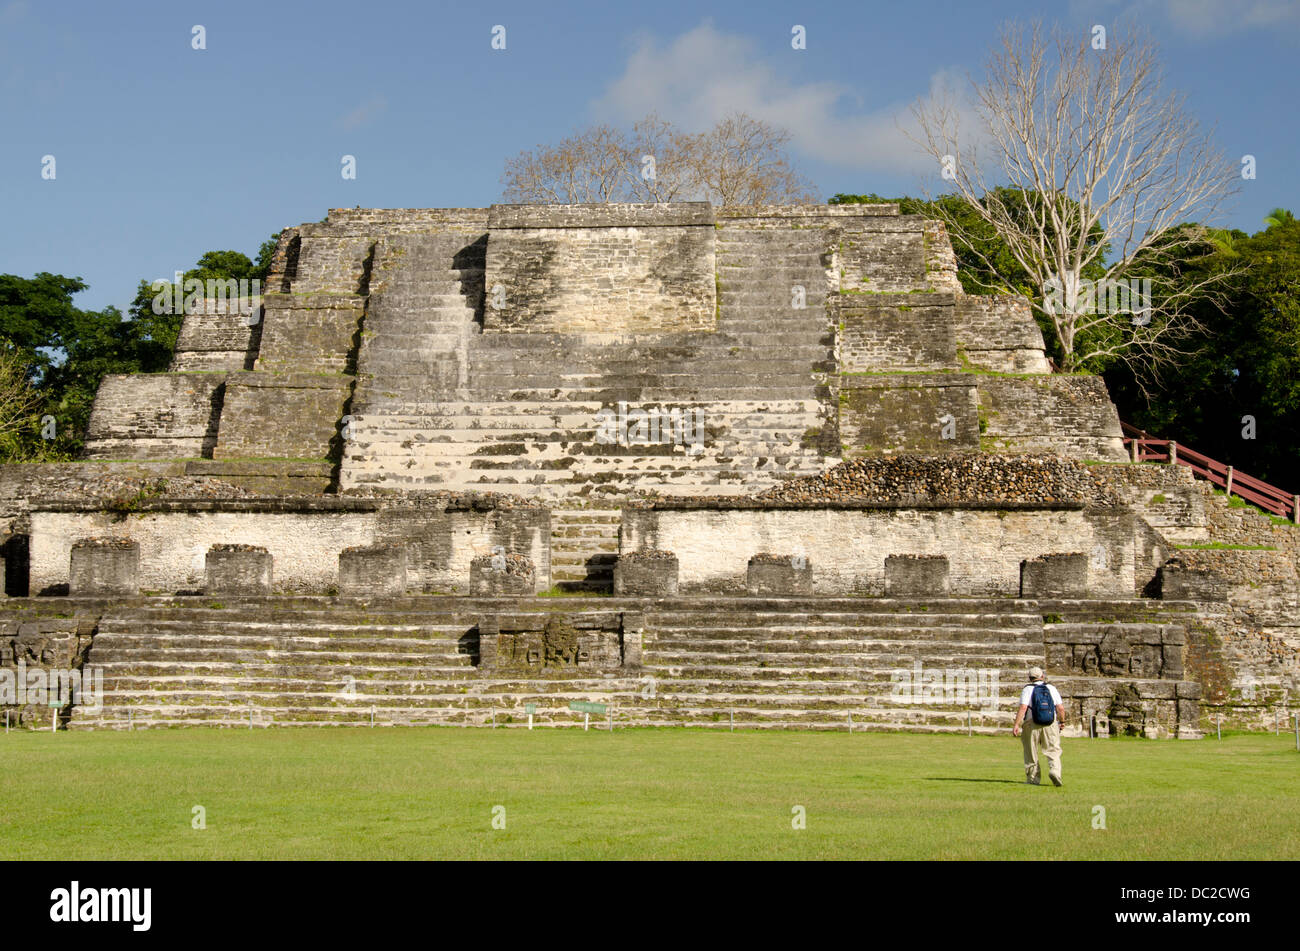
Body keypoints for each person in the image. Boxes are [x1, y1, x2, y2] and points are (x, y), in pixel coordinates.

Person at [1012, 666, 1065, 786]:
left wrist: (1016, 724)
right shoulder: (1051, 688)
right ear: (1042, 676)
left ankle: (1033, 778)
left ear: (1030, 678)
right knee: (1053, 750)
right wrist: (1062, 722)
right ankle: (1055, 771)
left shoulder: (1027, 689)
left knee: (1031, 751)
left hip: (1031, 723)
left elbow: (1023, 707)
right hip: (1050, 723)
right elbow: (1060, 708)